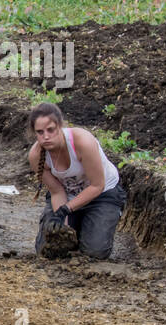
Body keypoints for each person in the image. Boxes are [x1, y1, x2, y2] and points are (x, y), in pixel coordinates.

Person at [27, 103, 127, 259]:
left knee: (94, 252)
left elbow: (97, 186)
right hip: (68, 195)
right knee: (50, 250)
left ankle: (91, 226)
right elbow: (57, 191)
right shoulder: (36, 156)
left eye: (51, 130)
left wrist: (65, 210)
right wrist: (62, 226)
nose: (46, 136)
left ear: (60, 126)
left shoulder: (82, 142)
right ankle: (78, 225)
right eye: (40, 132)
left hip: (101, 195)